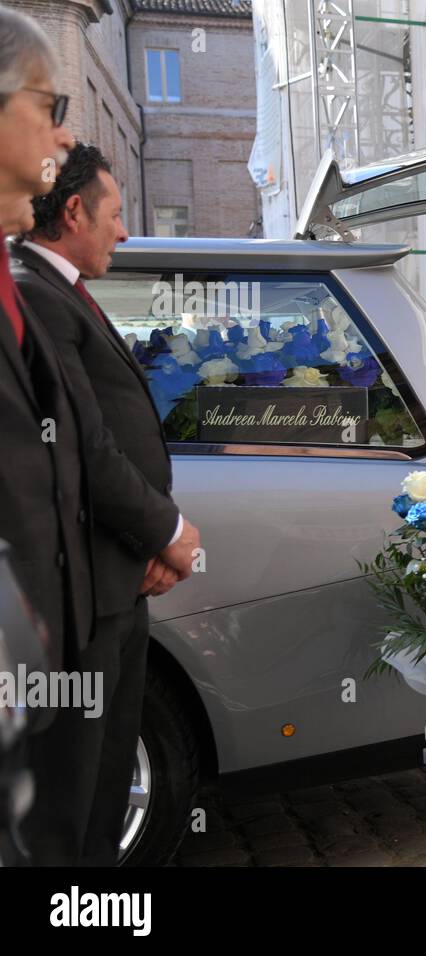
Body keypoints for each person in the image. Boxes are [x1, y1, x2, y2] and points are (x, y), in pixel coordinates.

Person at [0, 8, 198, 865]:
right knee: (66, 832)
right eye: (50, 104)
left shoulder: (48, 292)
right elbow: (80, 452)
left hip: (95, 594)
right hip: (56, 629)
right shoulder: (33, 290)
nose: (63, 130)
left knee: (89, 821)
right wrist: (159, 531)